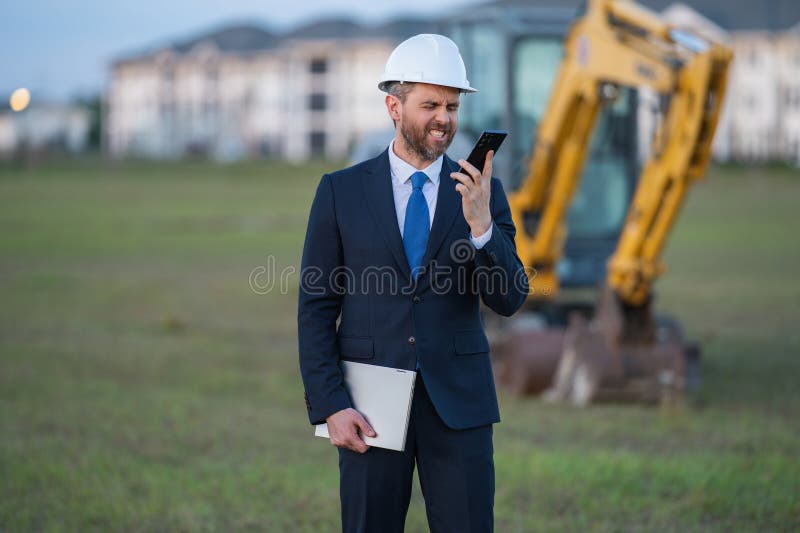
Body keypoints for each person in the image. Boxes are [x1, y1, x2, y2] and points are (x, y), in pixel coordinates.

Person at [298, 33, 528, 533]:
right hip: (368, 408)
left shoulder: (482, 192)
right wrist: (331, 404)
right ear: (394, 107)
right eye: (429, 105)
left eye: (451, 104)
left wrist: (482, 227)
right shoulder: (340, 191)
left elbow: (510, 298)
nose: (444, 117)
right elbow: (316, 306)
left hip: (460, 408)